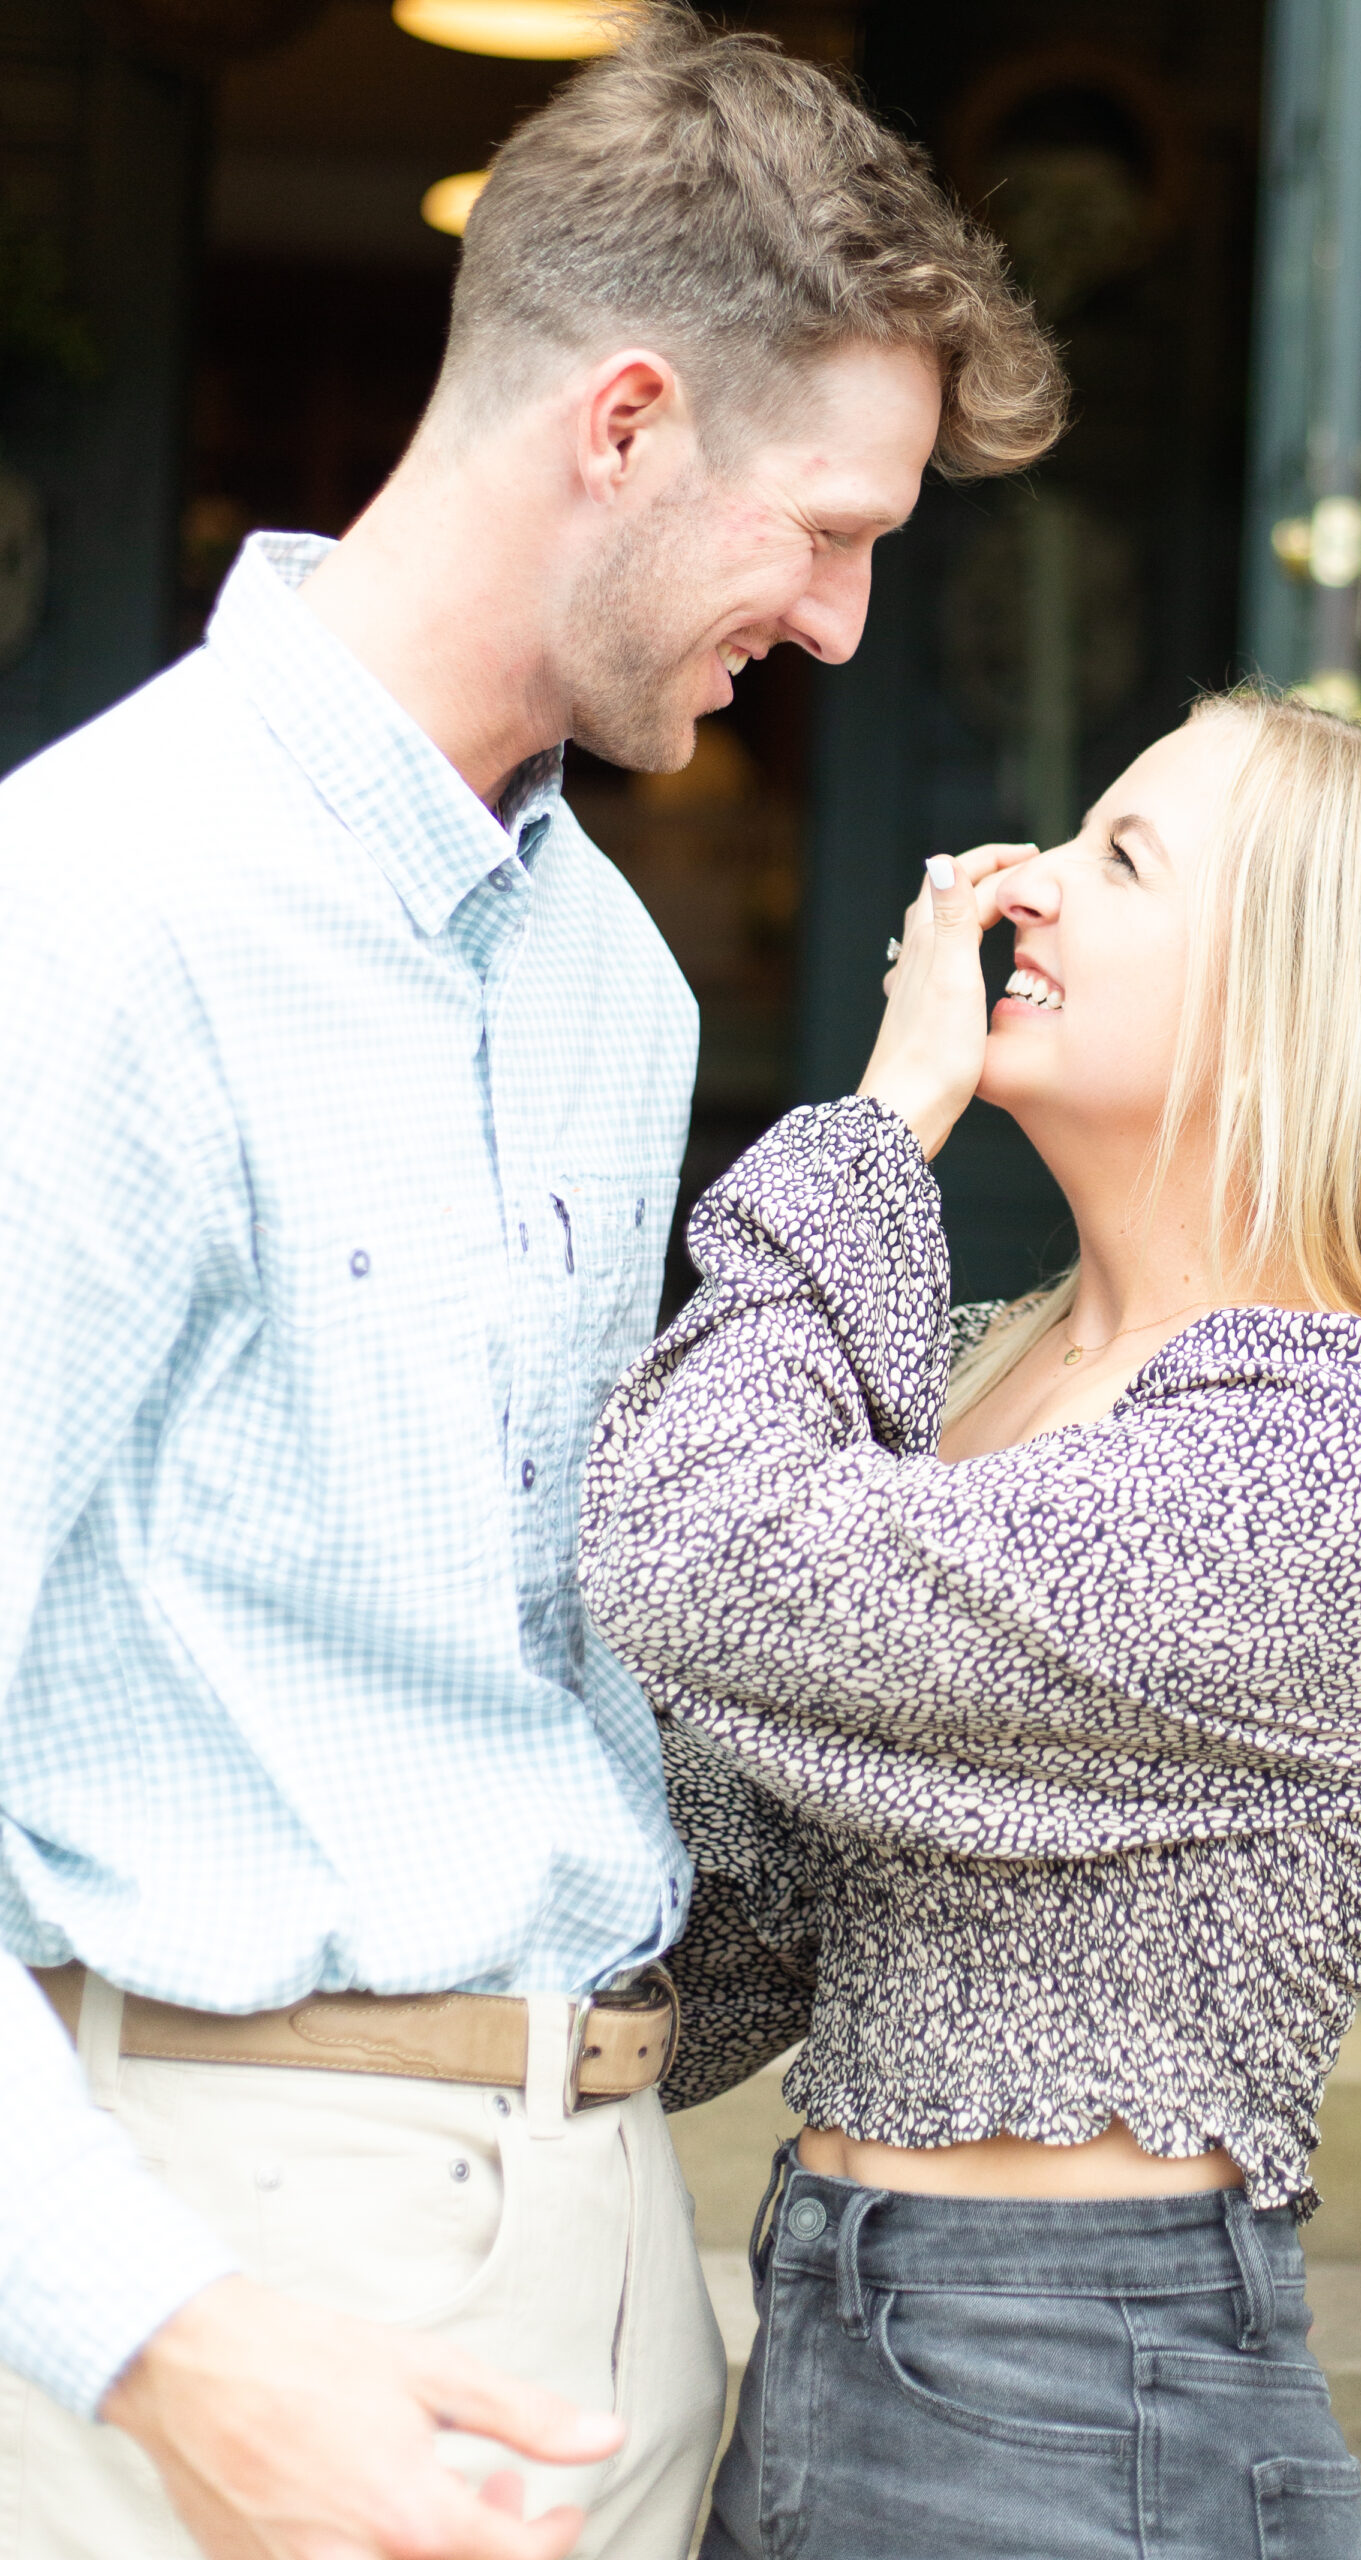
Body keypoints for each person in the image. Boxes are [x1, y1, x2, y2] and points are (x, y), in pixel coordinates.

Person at [0, 11, 1064, 2557]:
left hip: (617, 2271)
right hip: (230, 2288)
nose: (837, 623)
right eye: (822, 526)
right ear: (616, 424)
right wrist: (168, 2334)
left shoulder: (618, 985)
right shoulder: (94, 916)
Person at [579, 690, 1361, 2560]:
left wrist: (883, 1121)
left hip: (1078, 2397)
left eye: (1124, 858)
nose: (1024, 882)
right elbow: (763, 1917)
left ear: (1299, 1008)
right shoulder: (986, 1379)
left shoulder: (1357, 1454)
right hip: (824, 2334)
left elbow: (699, 1550)